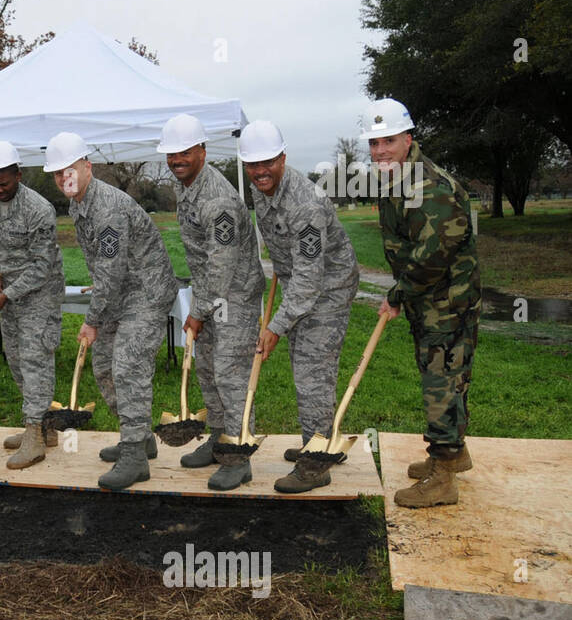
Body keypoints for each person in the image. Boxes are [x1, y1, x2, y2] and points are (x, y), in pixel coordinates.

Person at [364, 98, 480, 508]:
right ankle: (452, 453)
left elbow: (432, 256)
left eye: (388, 141)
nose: (380, 151)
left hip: (447, 302)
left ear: (408, 139)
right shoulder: (397, 178)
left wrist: (397, 293)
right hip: (428, 299)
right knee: (445, 377)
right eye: (374, 143)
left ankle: (444, 476)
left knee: (441, 382)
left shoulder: (428, 187)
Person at [47, 132, 177, 489]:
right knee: (104, 366)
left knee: (128, 364)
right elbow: (107, 270)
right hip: (121, 292)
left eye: (69, 170)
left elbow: (110, 270)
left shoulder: (106, 208)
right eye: (57, 174)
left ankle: (134, 455)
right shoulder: (80, 203)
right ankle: (140, 436)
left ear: (87, 167)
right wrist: (101, 303)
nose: (64, 179)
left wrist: (91, 321)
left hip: (146, 292)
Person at [240, 121, 359, 493]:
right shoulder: (261, 191)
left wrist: (275, 327)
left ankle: (315, 465)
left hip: (328, 287)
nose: (260, 171)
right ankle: (319, 441)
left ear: (283, 158)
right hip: (298, 281)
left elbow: (310, 280)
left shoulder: (307, 203)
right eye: (252, 164)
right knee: (306, 365)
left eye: (268, 162)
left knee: (312, 371)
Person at [160, 113, 266, 492]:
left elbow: (221, 264)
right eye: (171, 154)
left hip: (234, 295)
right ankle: (220, 438)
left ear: (202, 151)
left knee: (230, 373)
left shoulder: (216, 197)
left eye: (184, 152)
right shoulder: (186, 187)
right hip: (210, 291)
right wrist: (201, 307)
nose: (176, 161)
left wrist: (198, 312)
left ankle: (238, 457)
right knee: (206, 367)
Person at [0, 139, 65, 469]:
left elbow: (42, 266)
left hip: (40, 292)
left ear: (19, 174)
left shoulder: (39, 209)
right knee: (14, 357)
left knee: (34, 358)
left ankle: (34, 437)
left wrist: (7, 294)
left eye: (4, 183)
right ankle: (45, 427)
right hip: (9, 291)